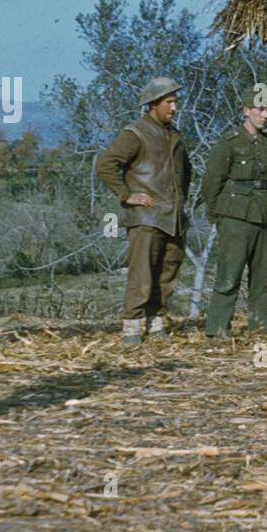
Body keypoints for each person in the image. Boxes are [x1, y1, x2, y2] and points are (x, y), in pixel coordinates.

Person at [95, 77, 191, 344]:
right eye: (169, 103)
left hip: (173, 218)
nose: (174, 108)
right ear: (153, 105)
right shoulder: (135, 133)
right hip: (147, 218)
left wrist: (181, 203)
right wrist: (128, 196)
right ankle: (132, 329)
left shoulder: (174, 134)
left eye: (175, 103)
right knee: (142, 274)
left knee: (167, 273)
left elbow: (185, 174)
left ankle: (156, 323)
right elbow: (105, 165)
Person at [200, 88, 267, 337]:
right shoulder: (229, 144)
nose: (265, 114)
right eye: (260, 109)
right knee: (229, 275)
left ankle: (259, 329)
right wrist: (217, 216)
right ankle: (217, 330)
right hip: (235, 217)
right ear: (246, 111)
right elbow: (212, 182)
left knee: (265, 278)